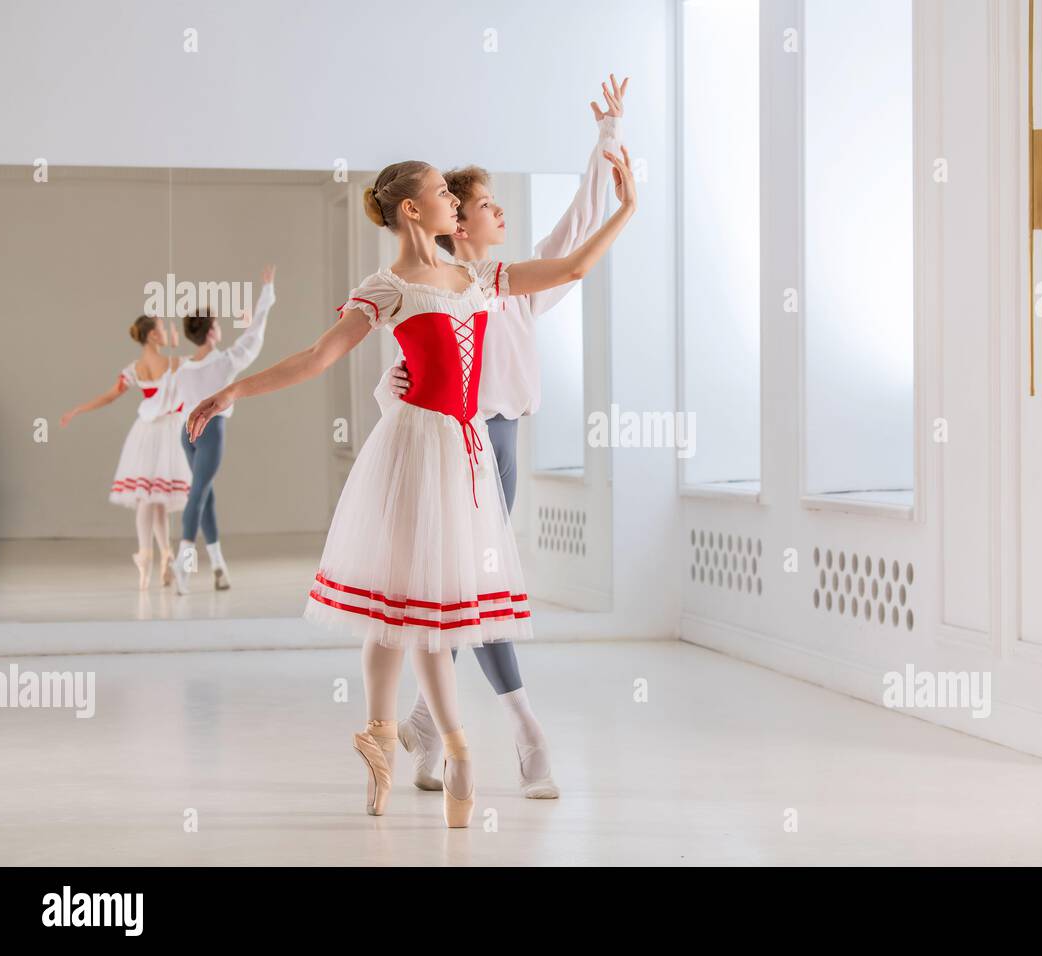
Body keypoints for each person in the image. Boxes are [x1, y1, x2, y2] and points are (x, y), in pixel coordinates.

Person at [186, 147, 637, 827]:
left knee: (437, 604)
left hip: (466, 451)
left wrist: (627, 209)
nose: (455, 202)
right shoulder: (385, 287)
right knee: (402, 604)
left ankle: (419, 740)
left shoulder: (481, 276)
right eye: (442, 193)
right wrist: (231, 389)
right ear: (410, 209)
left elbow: (572, 265)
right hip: (410, 450)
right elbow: (316, 356)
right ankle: (418, 740)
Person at [375, 74, 629, 800]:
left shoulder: (511, 284)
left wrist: (604, 142)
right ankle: (527, 735)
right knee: (477, 587)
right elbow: (405, 366)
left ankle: (426, 723)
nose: (497, 212)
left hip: (506, 444)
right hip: (465, 448)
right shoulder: (457, 286)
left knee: (467, 587)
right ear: (458, 224)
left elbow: (577, 231)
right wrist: (389, 387)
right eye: (485, 205)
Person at [60, 316, 191, 588]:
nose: (168, 332)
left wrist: (78, 409)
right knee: (153, 498)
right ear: (153, 336)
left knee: (151, 497)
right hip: (167, 431)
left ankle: (155, 554)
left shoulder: (136, 368)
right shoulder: (177, 363)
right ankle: (156, 554)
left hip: (146, 432)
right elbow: (201, 369)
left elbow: (110, 396)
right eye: (163, 329)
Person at [172, 266, 278, 593]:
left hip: (187, 434)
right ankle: (183, 565)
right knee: (198, 494)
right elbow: (254, 335)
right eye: (217, 325)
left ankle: (219, 567)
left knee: (205, 496)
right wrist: (267, 294)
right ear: (212, 332)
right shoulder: (225, 362)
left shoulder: (183, 369)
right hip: (212, 431)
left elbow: (176, 403)